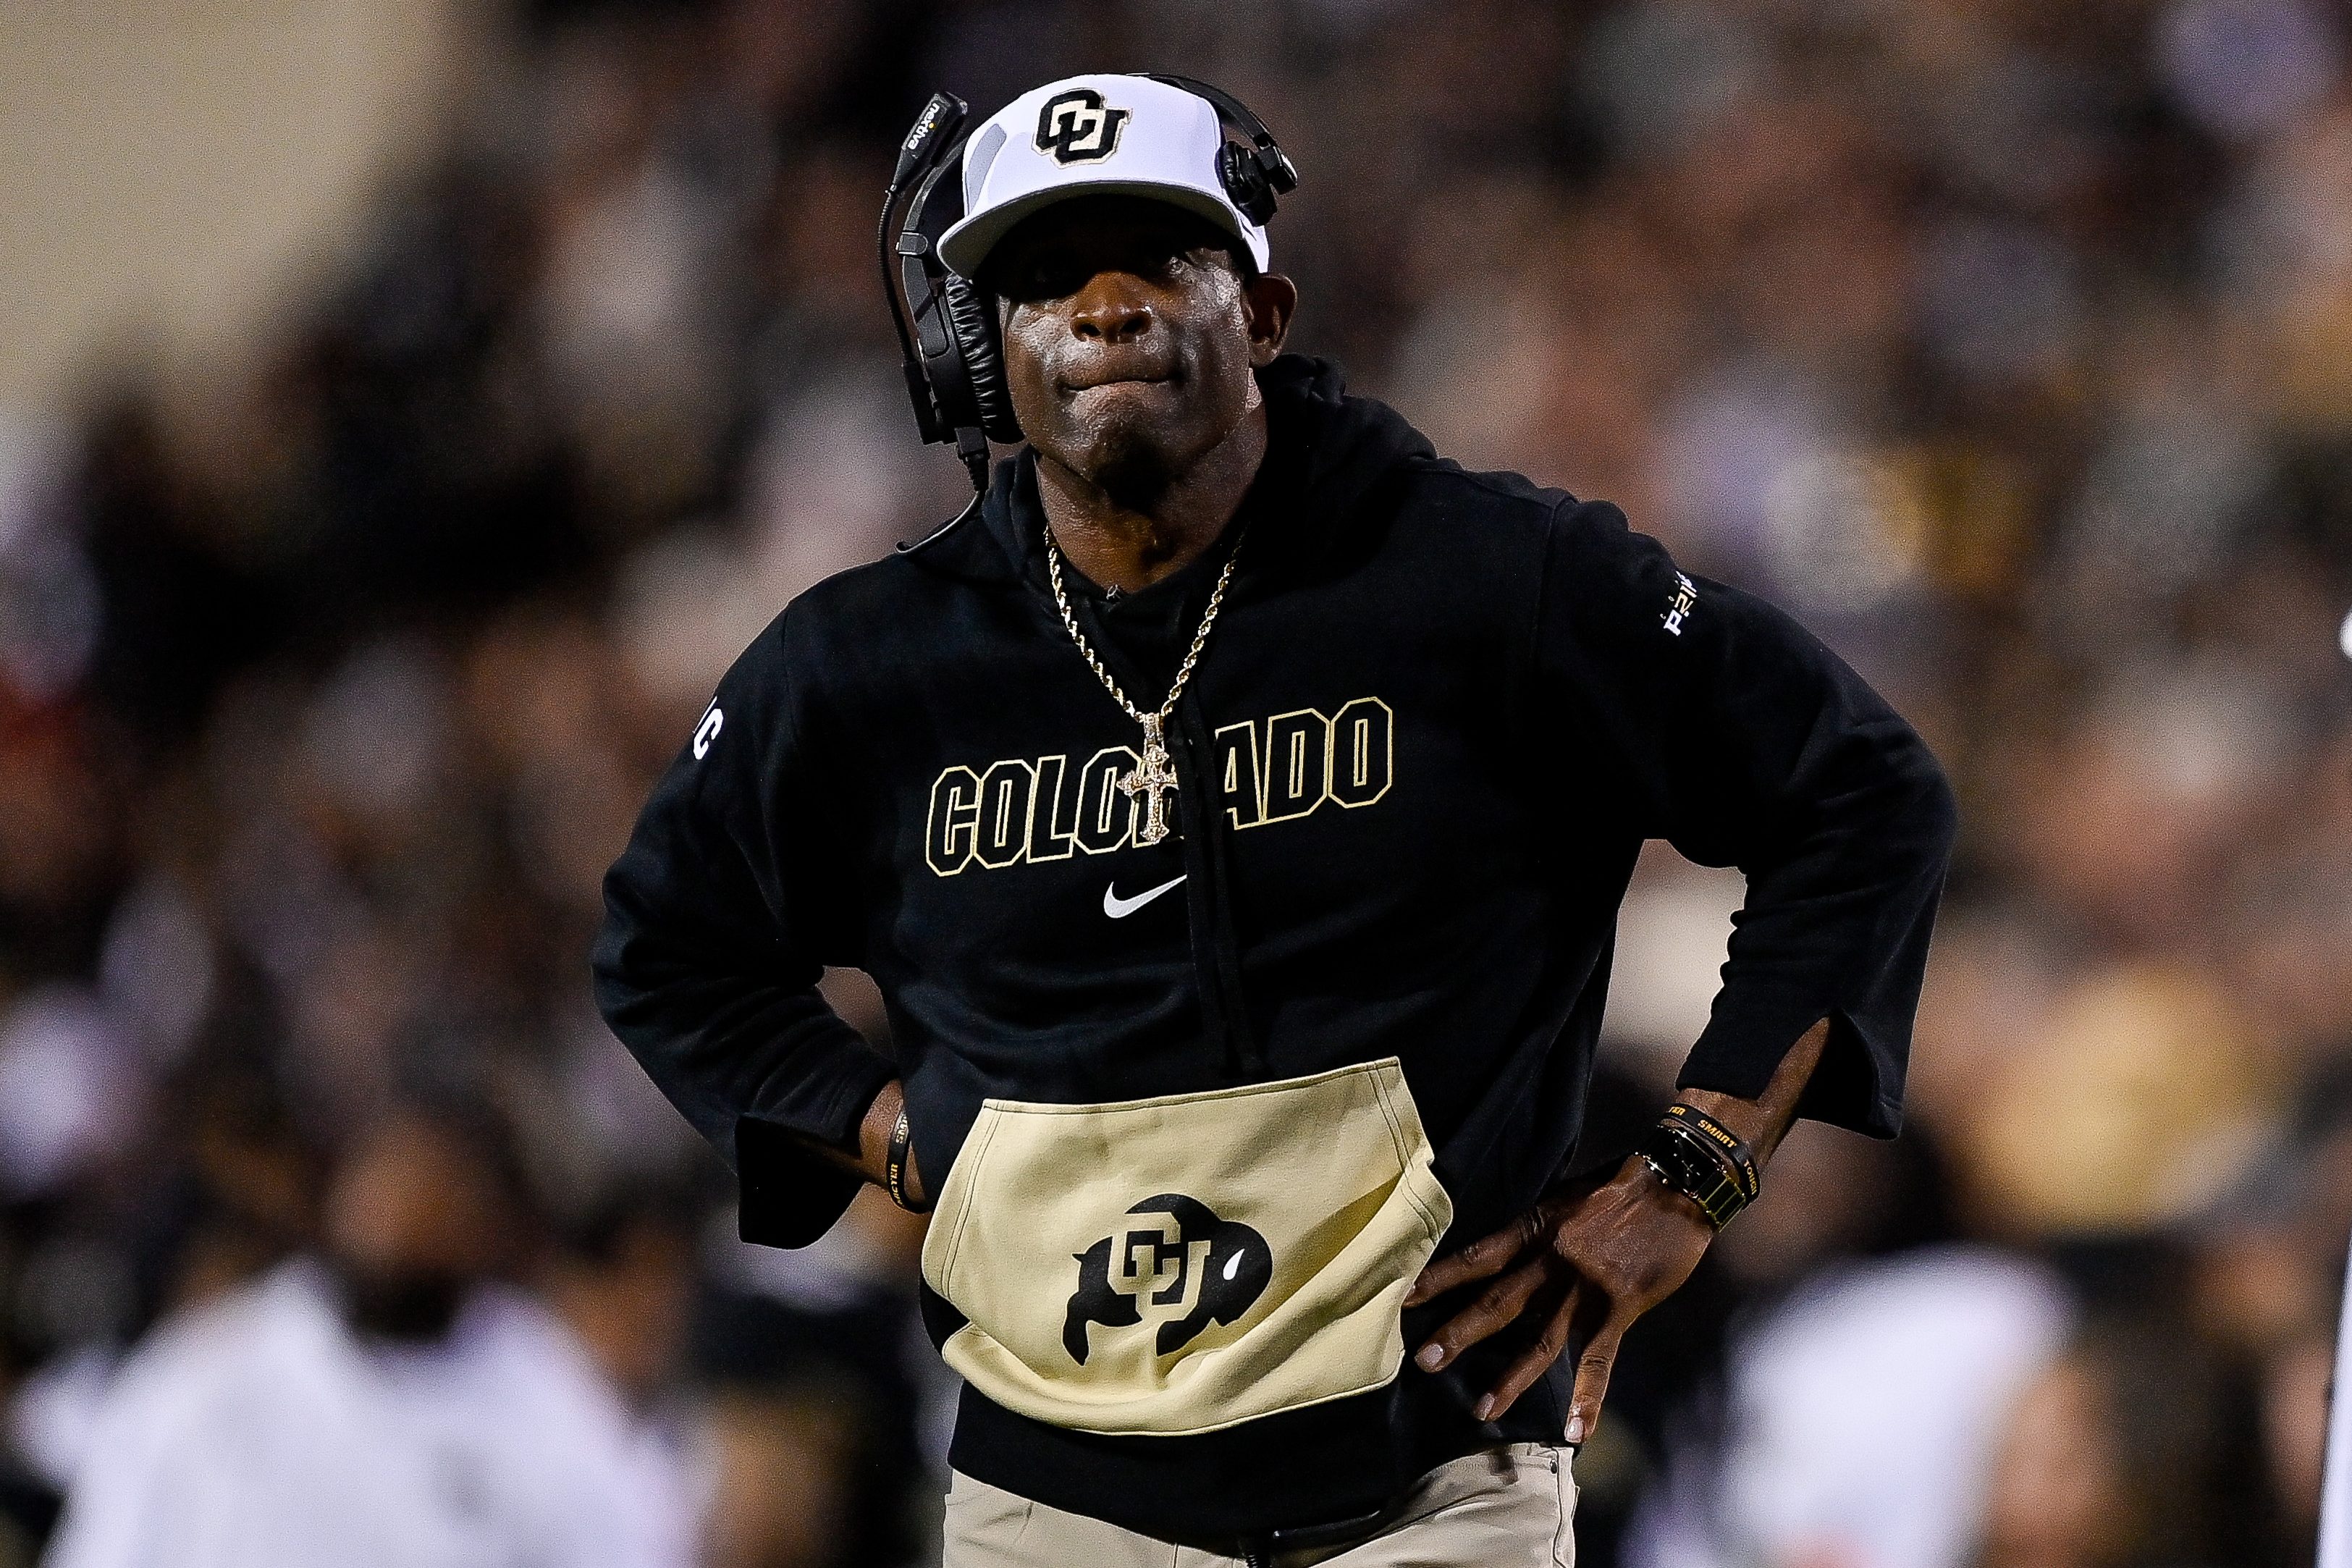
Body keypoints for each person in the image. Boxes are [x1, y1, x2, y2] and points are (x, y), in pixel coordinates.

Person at [594, 72, 1956, 1567]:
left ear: (1261, 309)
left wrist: (1689, 1175)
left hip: (1432, 1489)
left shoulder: (1489, 582)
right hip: (1042, 1501)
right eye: (1043, 276)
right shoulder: (864, 666)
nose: (1102, 309)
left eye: (1157, 259)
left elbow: (1858, 792)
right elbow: (668, 945)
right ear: (977, 349)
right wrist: (888, 1133)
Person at [41, 1095, 692, 1568]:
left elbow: (633, 1539)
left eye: (445, 1190)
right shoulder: (205, 1372)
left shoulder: (553, 1388)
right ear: (343, 1196)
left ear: (491, 1223)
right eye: (391, 1182)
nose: (408, 1213)